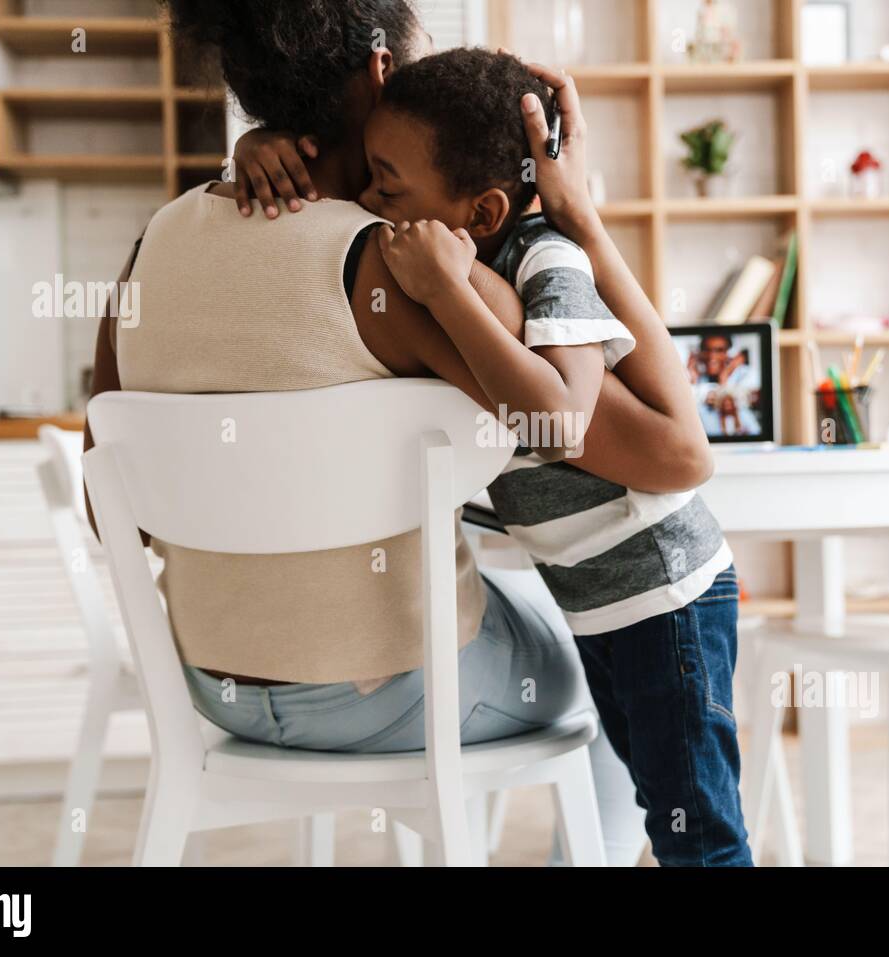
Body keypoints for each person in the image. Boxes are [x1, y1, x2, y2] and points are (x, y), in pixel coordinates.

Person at [232, 45, 752, 866]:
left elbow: (559, 419)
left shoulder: (545, 253)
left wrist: (445, 293)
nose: (369, 203)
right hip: (604, 601)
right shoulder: (477, 245)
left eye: (386, 185)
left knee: (700, 834)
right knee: (667, 809)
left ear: (481, 213)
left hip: (666, 594)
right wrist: (253, 147)